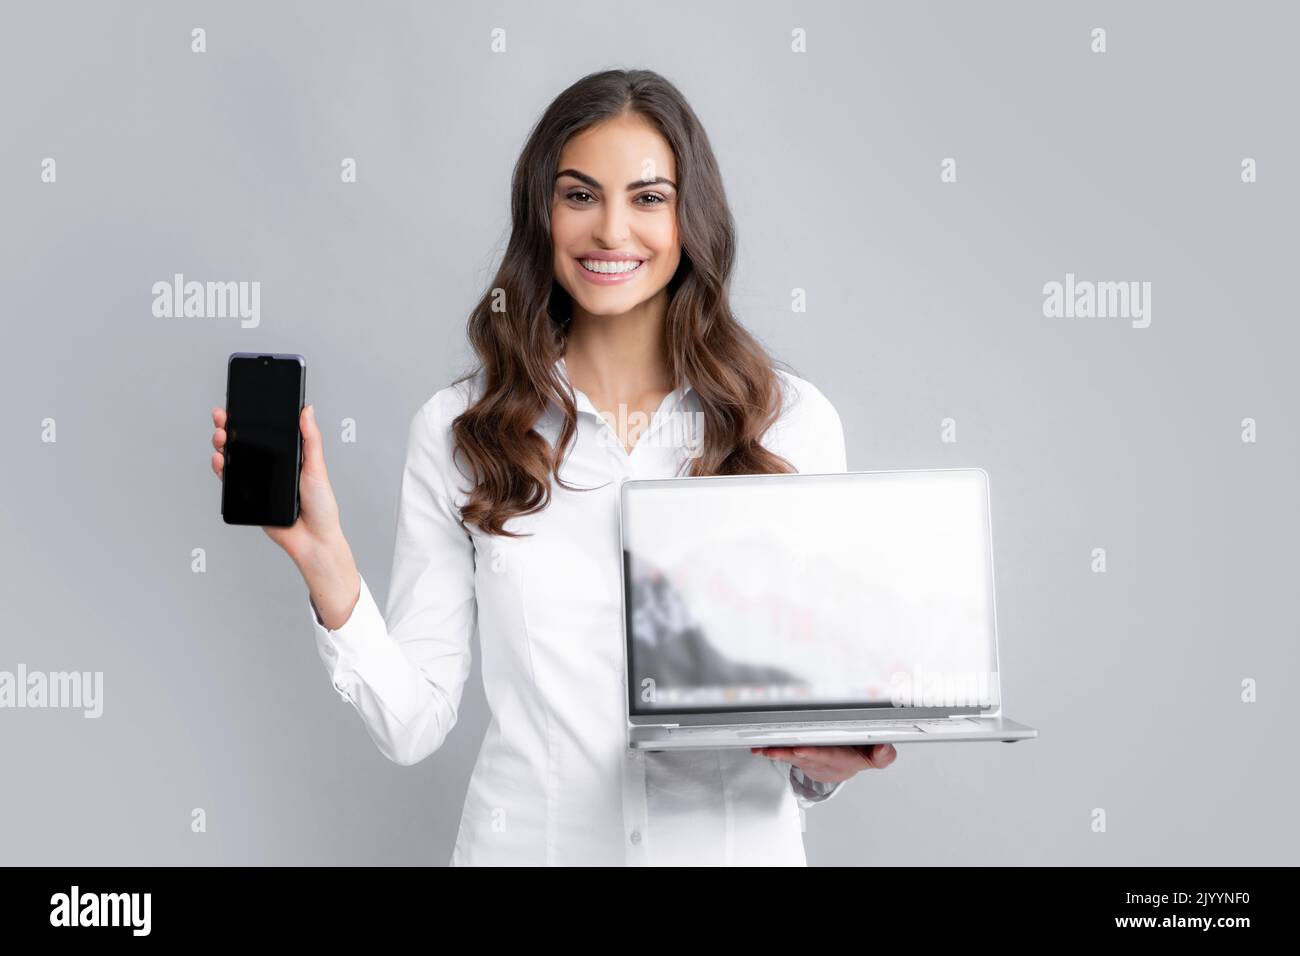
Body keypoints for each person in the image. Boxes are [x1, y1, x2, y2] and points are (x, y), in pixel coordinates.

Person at [209, 68, 896, 865]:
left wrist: (829, 762)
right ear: (542, 212)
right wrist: (325, 562)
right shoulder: (459, 431)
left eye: (648, 197)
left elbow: (811, 725)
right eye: (579, 195)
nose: (611, 230)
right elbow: (412, 723)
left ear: (691, 217)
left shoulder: (791, 424)